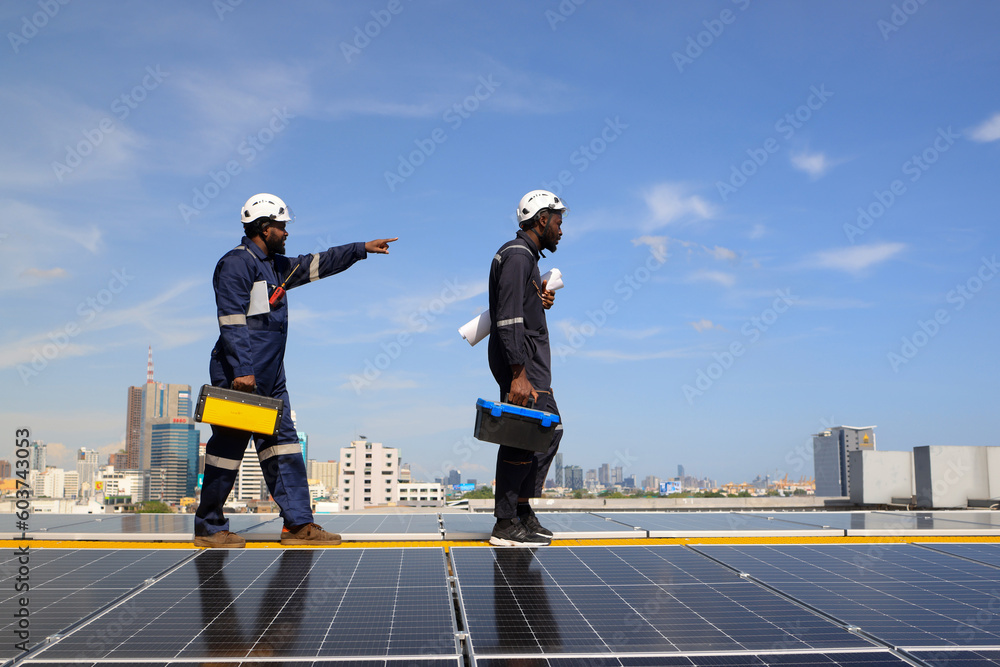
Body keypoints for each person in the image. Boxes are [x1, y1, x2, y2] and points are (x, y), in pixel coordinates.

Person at [194, 193, 397, 548]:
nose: (286, 233)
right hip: (239, 376)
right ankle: (209, 527)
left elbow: (319, 262)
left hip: (270, 377)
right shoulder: (237, 264)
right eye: (282, 226)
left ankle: (297, 525)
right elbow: (231, 320)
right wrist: (243, 371)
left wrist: (361, 248)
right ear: (263, 227)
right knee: (226, 452)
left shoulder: (276, 268)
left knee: (284, 448)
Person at [487, 189, 567, 547]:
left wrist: (541, 298)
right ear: (542, 220)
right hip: (521, 364)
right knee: (521, 438)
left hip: (531, 363)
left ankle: (520, 508)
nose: (561, 230)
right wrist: (517, 373)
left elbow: (520, 306)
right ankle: (505, 523)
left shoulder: (527, 260)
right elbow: (507, 317)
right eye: (558, 221)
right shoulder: (519, 257)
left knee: (547, 431)